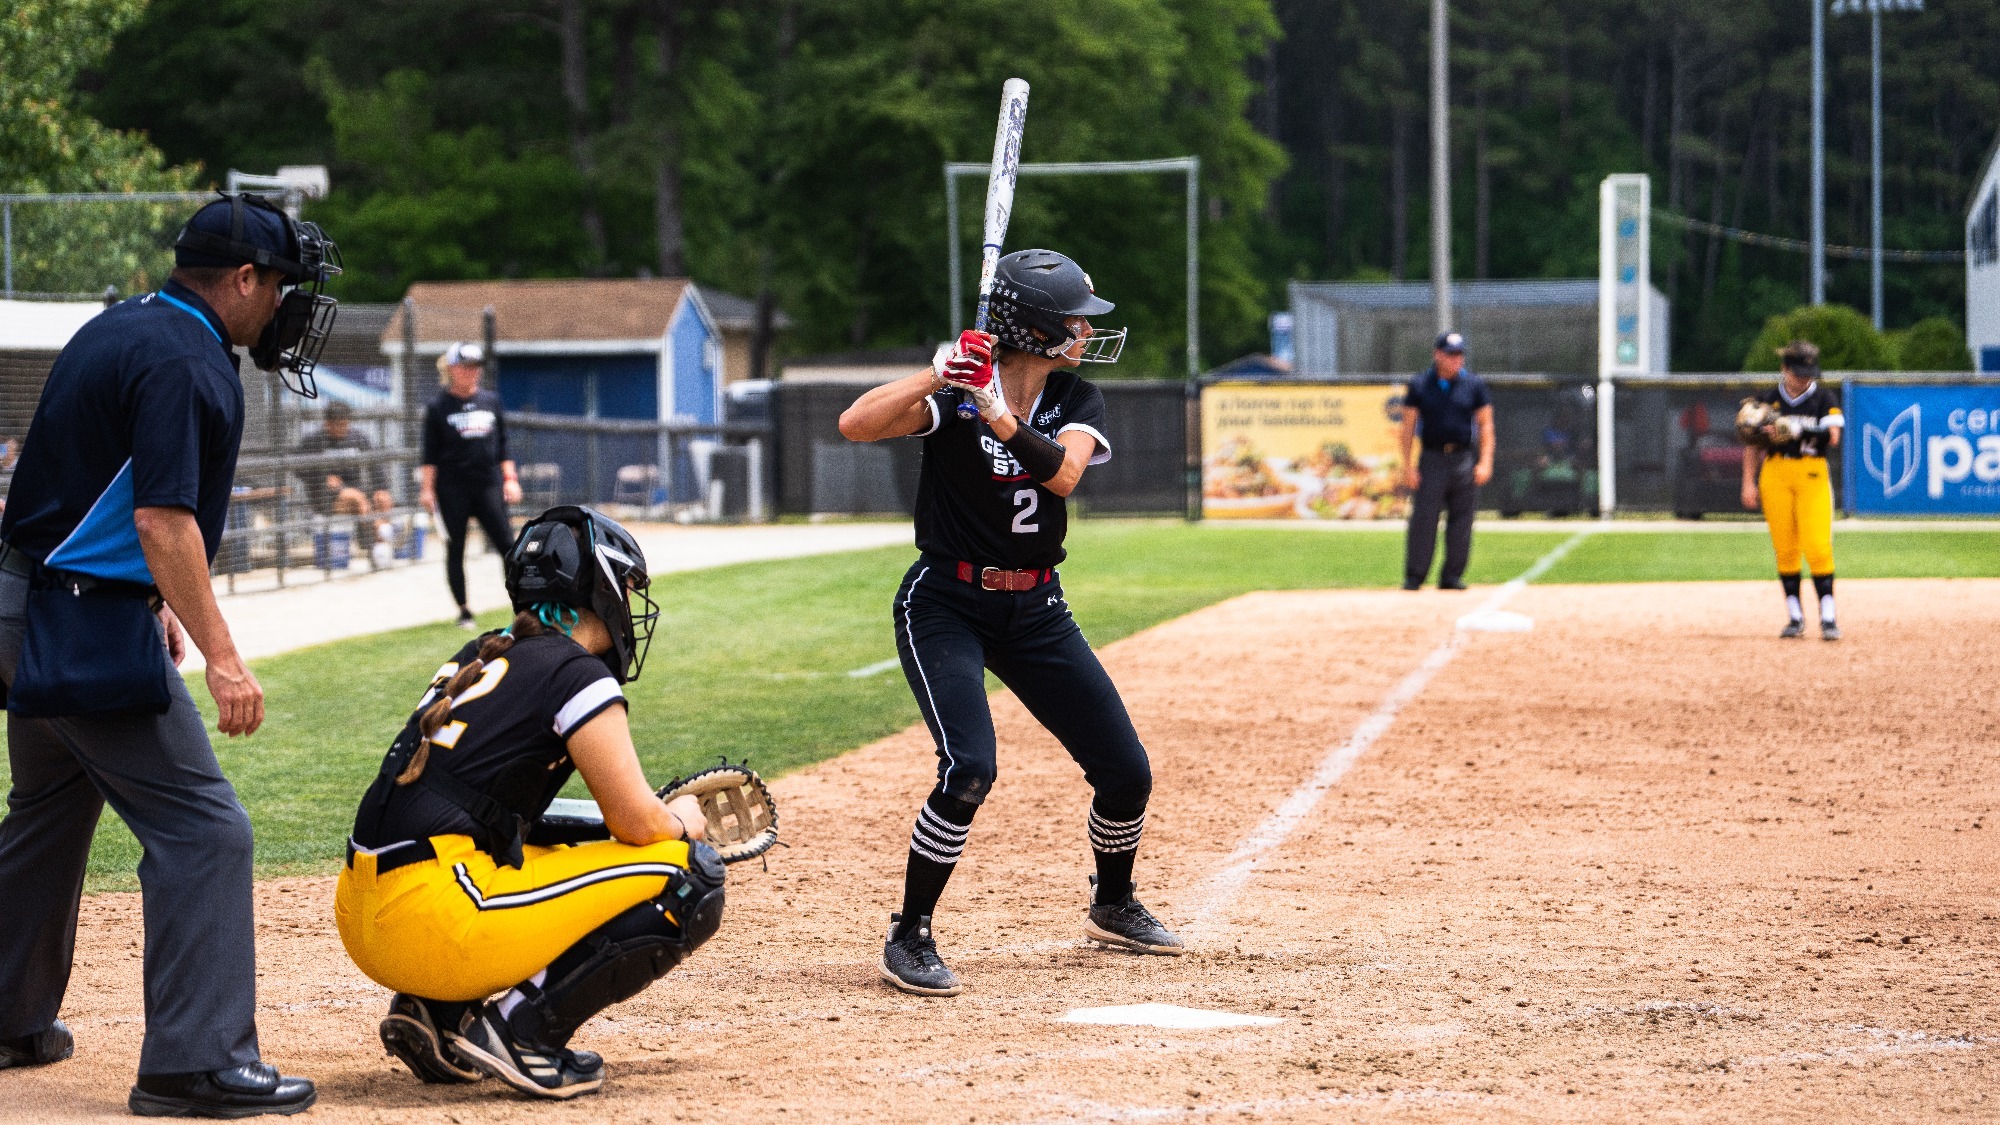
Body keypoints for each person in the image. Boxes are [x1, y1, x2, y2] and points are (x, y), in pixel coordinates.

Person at [0, 192, 337, 1116]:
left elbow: (85, 491)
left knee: (50, 810)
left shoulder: (123, 327)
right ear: (240, 279)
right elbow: (161, 516)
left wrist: (150, 597)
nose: (285, 306)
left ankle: (6, 1016)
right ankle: (193, 1063)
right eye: (279, 285)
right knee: (205, 830)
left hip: (25, 605)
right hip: (76, 622)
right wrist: (224, 655)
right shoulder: (189, 358)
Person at [837, 248, 1180, 998]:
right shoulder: (956, 395)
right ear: (1036, 327)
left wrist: (998, 411)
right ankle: (910, 931)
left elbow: (1062, 472)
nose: (1087, 333)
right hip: (946, 602)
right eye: (1075, 321)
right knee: (970, 768)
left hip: (1036, 608)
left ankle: (1113, 900)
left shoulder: (1076, 399)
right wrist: (942, 373)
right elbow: (855, 423)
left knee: (1127, 772)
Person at [335, 505, 723, 1100]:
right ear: (600, 588)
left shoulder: (481, 654)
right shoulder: (577, 672)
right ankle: (523, 1034)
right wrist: (681, 820)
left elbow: (497, 812)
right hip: (435, 919)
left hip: (365, 913)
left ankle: (441, 1012)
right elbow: (639, 824)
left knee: (540, 844)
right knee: (689, 876)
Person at [1740, 340, 1843, 640]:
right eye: (1797, 372)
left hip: (1811, 471)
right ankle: (1795, 617)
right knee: (1785, 548)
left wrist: (1794, 429)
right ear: (1784, 369)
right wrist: (1748, 481)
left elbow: (1833, 437)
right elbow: (1751, 445)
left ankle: (1828, 617)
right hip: (1775, 473)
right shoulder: (1767, 400)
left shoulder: (1823, 398)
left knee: (1817, 545)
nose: (1803, 378)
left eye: (1808, 372)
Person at [421, 341, 523, 627]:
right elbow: (429, 454)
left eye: (475, 367)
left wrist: (511, 479)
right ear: (452, 369)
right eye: (466, 367)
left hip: (488, 484)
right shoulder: (438, 407)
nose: (472, 372)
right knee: (456, 548)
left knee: (509, 546)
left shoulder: (491, 401)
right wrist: (427, 489)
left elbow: (502, 446)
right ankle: (464, 610)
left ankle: (522, 605)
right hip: (453, 488)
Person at [1398, 331, 1494, 590]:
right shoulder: (1420, 385)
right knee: (1424, 519)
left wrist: (1485, 461)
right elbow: (1407, 428)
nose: (1456, 359)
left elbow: (1486, 426)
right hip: (1431, 458)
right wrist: (1407, 466)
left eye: (1459, 354)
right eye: (1451, 354)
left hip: (1463, 458)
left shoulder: (1474, 385)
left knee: (1462, 520)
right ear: (1437, 354)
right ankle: (1415, 576)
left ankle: (1451, 576)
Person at [297, 399, 396, 564]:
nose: (343, 429)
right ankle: (381, 538)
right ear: (328, 424)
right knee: (357, 498)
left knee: (382, 499)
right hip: (325, 497)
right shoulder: (314, 440)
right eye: (338, 425)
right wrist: (322, 477)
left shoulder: (357, 438)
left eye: (345, 424)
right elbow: (297, 467)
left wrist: (381, 488)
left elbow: (375, 464)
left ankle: (379, 547)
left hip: (356, 489)